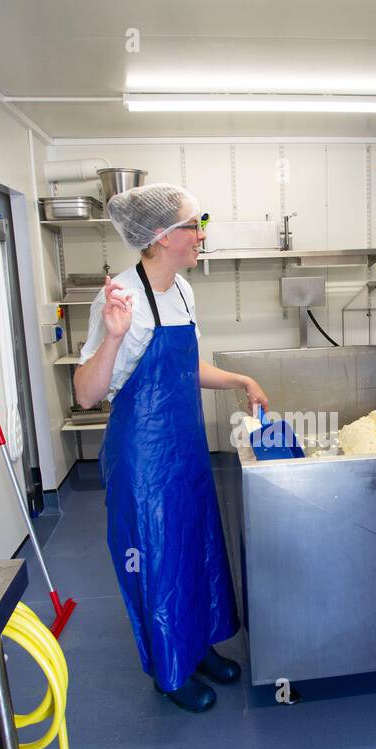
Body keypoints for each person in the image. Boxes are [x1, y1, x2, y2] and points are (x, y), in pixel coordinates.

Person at [74, 184, 268, 712]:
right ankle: (168, 670)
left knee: (196, 546)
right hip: (142, 456)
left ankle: (197, 646)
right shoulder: (121, 302)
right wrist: (113, 337)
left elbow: (186, 366)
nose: (201, 234)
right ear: (161, 238)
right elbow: (87, 393)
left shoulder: (182, 290)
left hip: (185, 449)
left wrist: (238, 380)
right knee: (156, 555)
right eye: (194, 224)